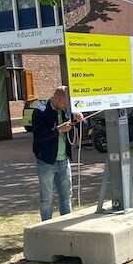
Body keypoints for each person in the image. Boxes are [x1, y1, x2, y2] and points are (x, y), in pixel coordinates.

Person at [31, 87, 83, 221]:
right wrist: (58, 129)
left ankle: (66, 224)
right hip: (46, 162)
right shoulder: (40, 111)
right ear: (56, 98)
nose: (66, 106)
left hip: (64, 160)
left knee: (66, 196)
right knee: (46, 199)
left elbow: (82, 125)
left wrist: (79, 119)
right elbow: (38, 136)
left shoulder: (67, 110)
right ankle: (46, 226)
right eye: (64, 103)